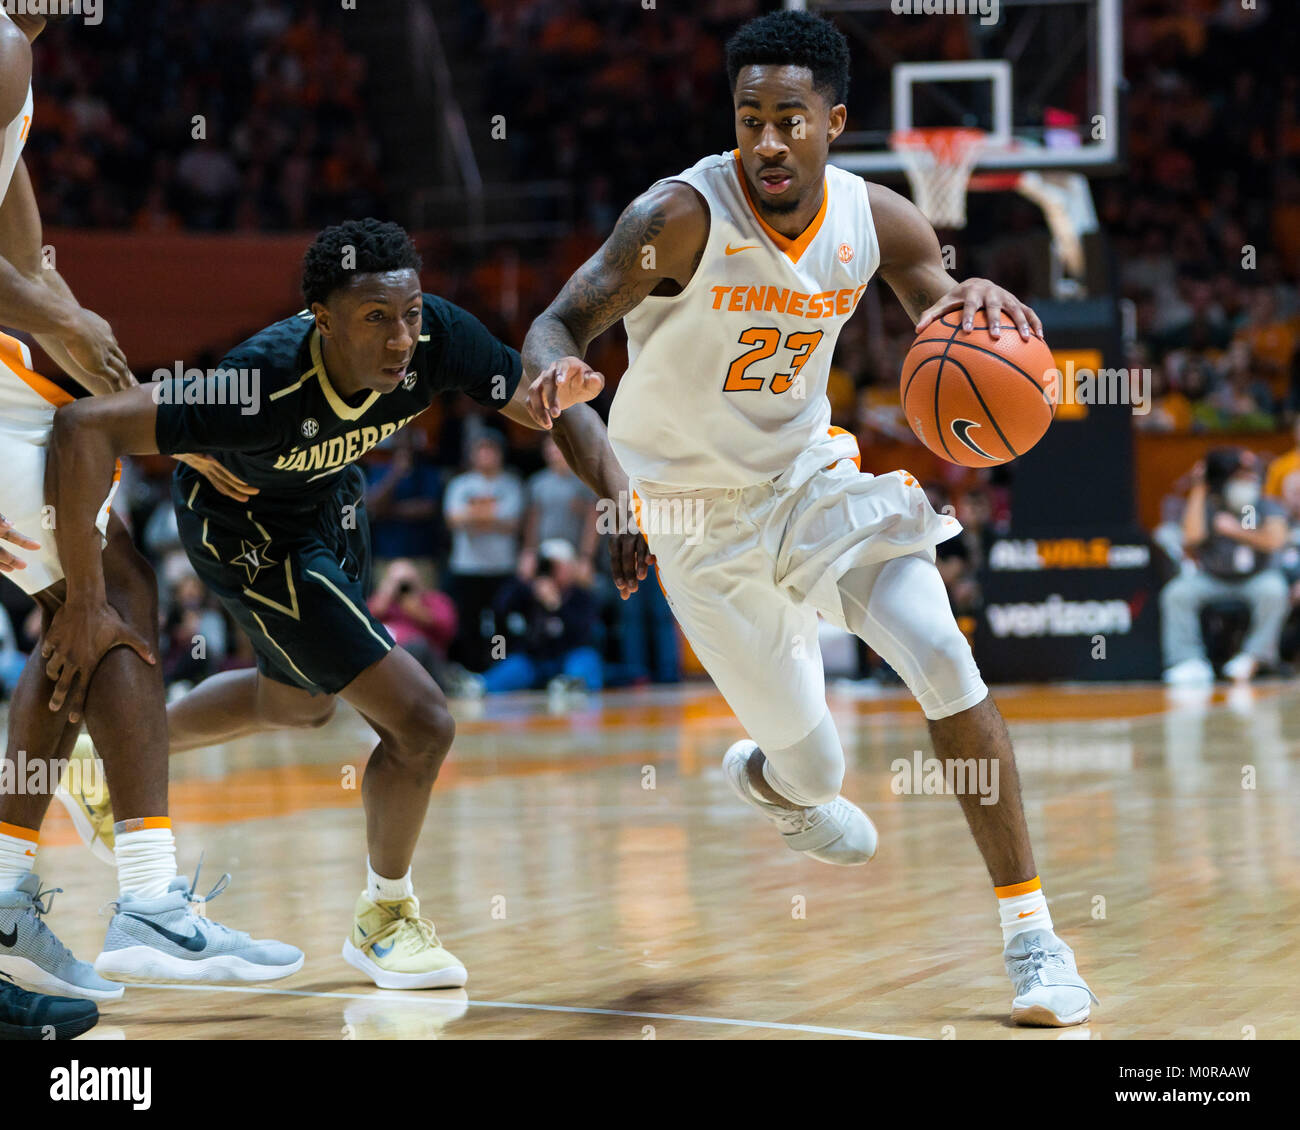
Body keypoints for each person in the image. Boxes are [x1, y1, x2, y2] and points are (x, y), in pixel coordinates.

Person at [520, 9, 1096, 1026]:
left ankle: (1032, 936)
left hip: (811, 483)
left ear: (835, 120)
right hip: (693, 517)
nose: (767, 141)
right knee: (818, 768)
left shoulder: (879, 218)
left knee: (941, 656)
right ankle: (780, 778)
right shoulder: (677, 218)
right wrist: (607, 476)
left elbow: (943, 310)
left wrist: (976, 302)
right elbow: (556, 324)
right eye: (749, 119)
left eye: (790, 118)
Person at [42, 218, 649, 990]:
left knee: (300, 704)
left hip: (329, 507)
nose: (402, 339)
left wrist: (619, 492)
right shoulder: (258, 383)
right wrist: (87, 602)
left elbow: (543, 411)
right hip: (247, 530)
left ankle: (107, 758)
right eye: (375, 319)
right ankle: (384, 919)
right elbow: (84, 424)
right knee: (423, 721)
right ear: (322, 320)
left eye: (411, 313)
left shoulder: (438, 341)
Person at [0, 5, 299, 1017]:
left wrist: (68, 325)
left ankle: (20, 902)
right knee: (103, 586)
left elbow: (25, 255)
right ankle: (145, 899)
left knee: (93, 587)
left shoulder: (17, 62)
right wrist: (63, 319)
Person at [1160, 448, 1289, 684]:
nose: (1247, 481)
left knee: (1275, 590)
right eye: (1239, 476)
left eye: (1249, 475)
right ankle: (1187, 660)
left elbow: (1276, 540)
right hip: (1212, 578)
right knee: (1177, 592)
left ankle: (1253, 657)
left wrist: (1236, 530)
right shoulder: (1209, 503)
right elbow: (1190, 539)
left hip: (1254, 578)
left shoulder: (1262, 504)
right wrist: (1199, 488)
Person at [443, 431, 524, 671]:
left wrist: (473, 514)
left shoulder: (511, 484)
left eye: (491, 449)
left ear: (500, 454)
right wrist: (491, 514)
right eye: (481, 449)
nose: (486, 455)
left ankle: (497, 669)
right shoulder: (460, 484)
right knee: (469, 622)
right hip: (467, 566)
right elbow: (453, 520)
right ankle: (472, 670)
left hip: (501, 566)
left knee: (501, 621)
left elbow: (512, 524)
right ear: (473, 454)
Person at [483, 539, 603, 693]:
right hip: (535, 662)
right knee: (515, 664)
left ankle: (574, 684)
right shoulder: (527, 593)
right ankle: (481, 685)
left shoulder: (582, 596)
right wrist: (522, 580)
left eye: (557, 565)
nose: (551, 571)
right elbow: (500, 610)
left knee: (585, 659)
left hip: (569, 656)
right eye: (546, 565)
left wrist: (556, 605)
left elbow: (584, 635)